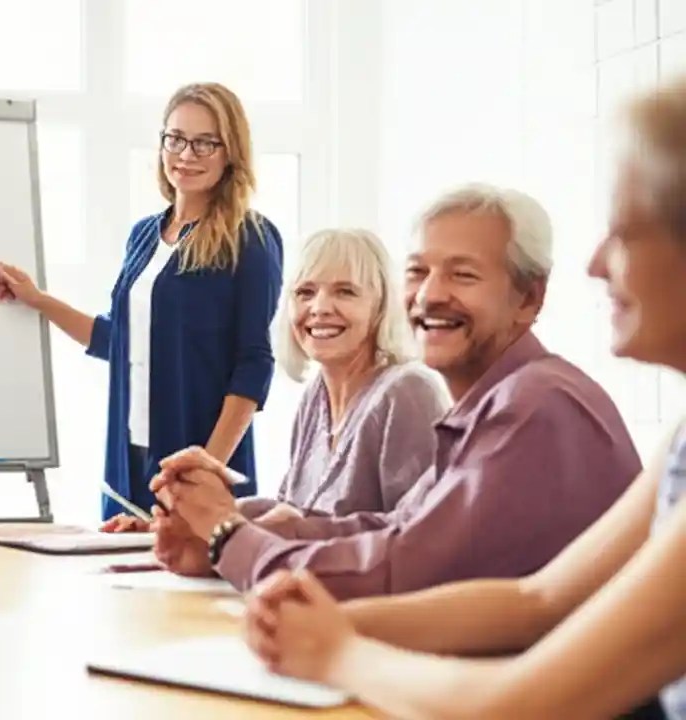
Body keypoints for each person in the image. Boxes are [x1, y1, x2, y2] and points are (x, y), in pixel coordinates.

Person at [241, 76, 686, 720]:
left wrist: (336, 650)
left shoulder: (540, 402)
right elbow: (538, 599)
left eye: (625, 232)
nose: (594, 264)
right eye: (419, 271)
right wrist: (323, 620)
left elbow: (517, 704)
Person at [149, 183, 642, 600]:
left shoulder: (537, 406)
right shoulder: (491, 404)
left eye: (463, 274)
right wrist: (218, 533)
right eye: (418, 272)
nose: (429, 295)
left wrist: (228, 535)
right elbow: (393, 532)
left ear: (529, 299)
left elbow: (400, 569)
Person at [0, 82, 284, 519]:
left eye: (206, 143)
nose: (186, 155)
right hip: (128, 467)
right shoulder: (144, 235)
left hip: (197, 468)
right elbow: (120, 340)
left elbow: (254, 363)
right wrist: (37, 300)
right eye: (176, 138)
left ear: (231, 152)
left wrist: (207, 467)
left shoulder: (251, 238)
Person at [101, 228, 448, 533]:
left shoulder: (408, 392)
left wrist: (225, 524)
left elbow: (418, 538)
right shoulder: (318, 395)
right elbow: (289, 510)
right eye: (305, 292)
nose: (320, 307)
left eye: (345, 292)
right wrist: (180, 526)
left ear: (382, 306)